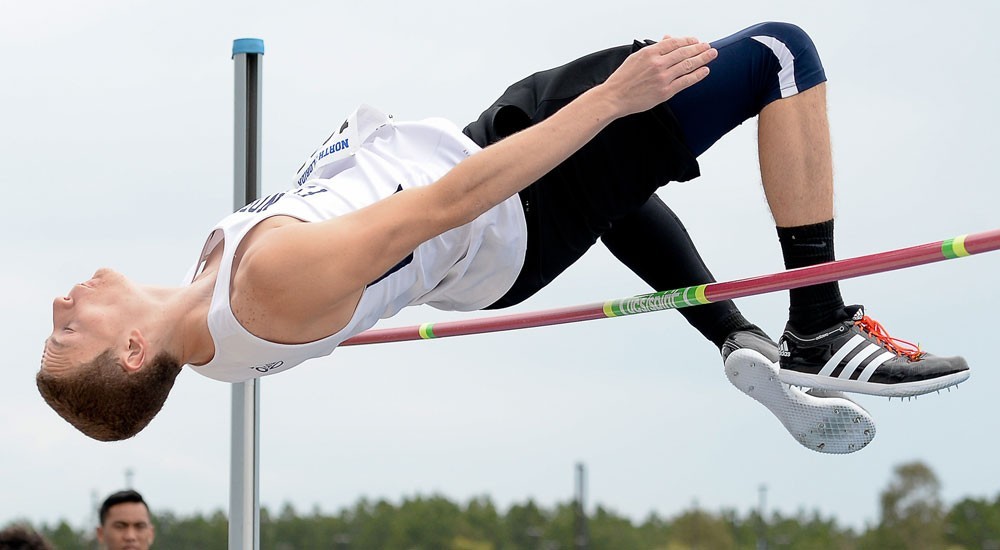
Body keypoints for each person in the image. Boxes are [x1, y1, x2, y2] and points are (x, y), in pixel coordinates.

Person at [37, 23, 968, 446]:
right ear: (128, 350)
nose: (58, 301)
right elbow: (441, 207)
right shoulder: (264, 284)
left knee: (623, 184)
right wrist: (610, 102)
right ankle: (821, 321)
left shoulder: (208, 328)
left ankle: (733, 336)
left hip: (488, 174)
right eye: (65, 330)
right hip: (500, 204)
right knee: (776, 56)